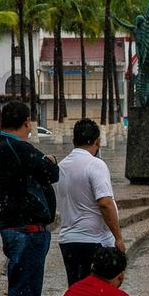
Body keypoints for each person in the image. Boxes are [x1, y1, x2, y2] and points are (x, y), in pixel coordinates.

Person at [0, 100, 60, 296]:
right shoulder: (19, 147)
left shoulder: (5, 146)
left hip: (18, 227)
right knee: (25, 290)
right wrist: (50, 161)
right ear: (26, 122)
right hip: (26, 231)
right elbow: (52, 172)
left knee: (23, 287)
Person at [56, 119, 125, 287]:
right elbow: (105, 203)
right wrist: (118, 238)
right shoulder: (95, 165)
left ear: (74, 141)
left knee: (77, 290)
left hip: (68, 241)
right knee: (98, 291)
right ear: (98, 141)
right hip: (94, 241)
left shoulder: (61, 167)